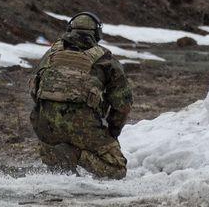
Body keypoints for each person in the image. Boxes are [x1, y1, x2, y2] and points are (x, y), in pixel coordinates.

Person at [29, 12, 133, 179]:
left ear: (70, 30)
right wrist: (112, 132)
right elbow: (123, 105)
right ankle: (74, 154)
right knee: (117, 170)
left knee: (57, 157)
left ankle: (53, 153)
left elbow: (35, 89)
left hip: (45, 126)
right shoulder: (105, 59)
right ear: (97, 33)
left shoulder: (51, 53)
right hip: (83, 125)